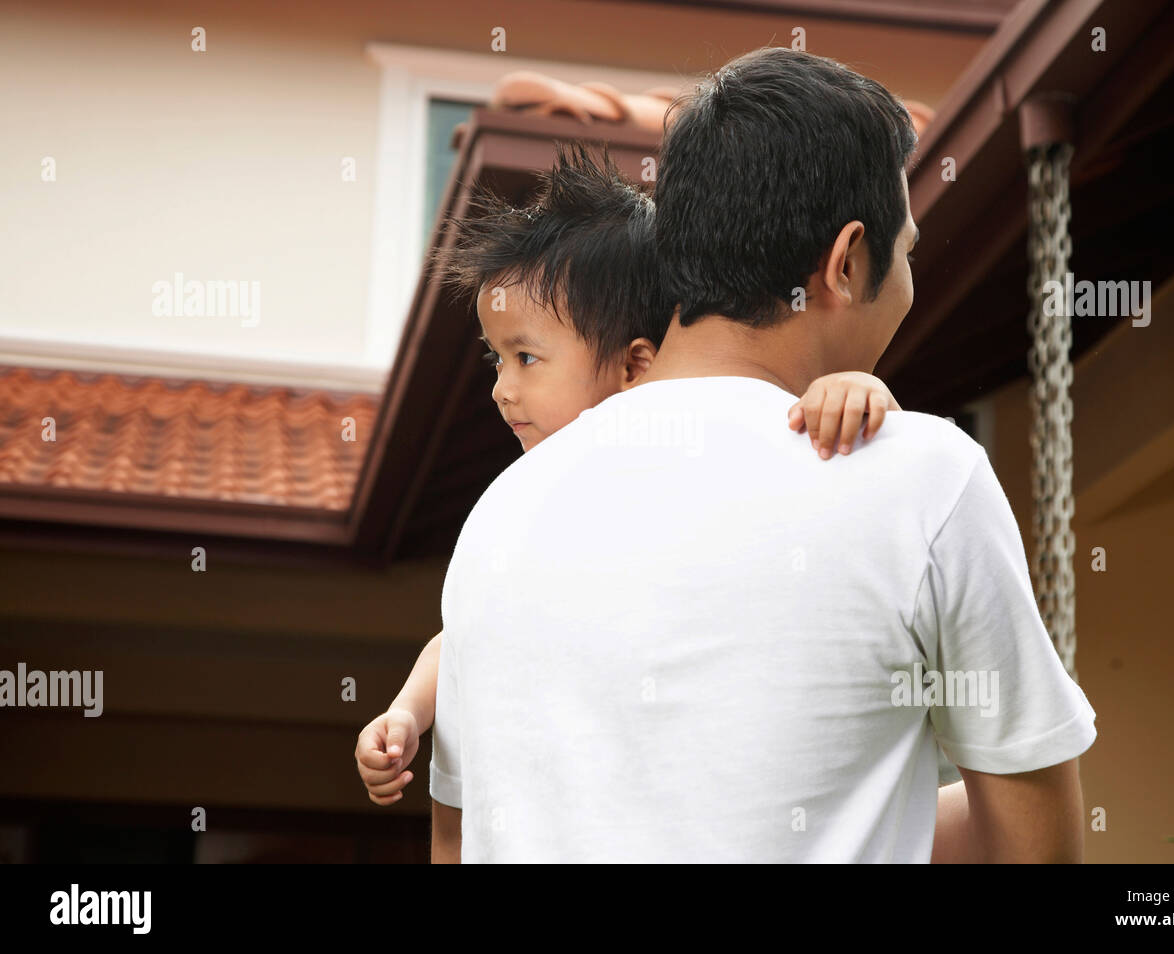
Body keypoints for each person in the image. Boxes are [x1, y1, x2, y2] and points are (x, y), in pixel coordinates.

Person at [423, 48, 1097, 863]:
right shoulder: (922, 480)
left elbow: (459, 839)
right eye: (907, 251)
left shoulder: (499, 515)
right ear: (847, 261)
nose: (908, 276)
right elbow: (1036, 851)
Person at [353, 140, 902, 811]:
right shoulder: (526, 508)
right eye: (496, 360)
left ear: (634, 366)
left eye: (526, 358)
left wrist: (847, 389)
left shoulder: (707, 448)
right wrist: (409, 714)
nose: (500, 390)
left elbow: (788, 437)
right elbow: (466, 634)